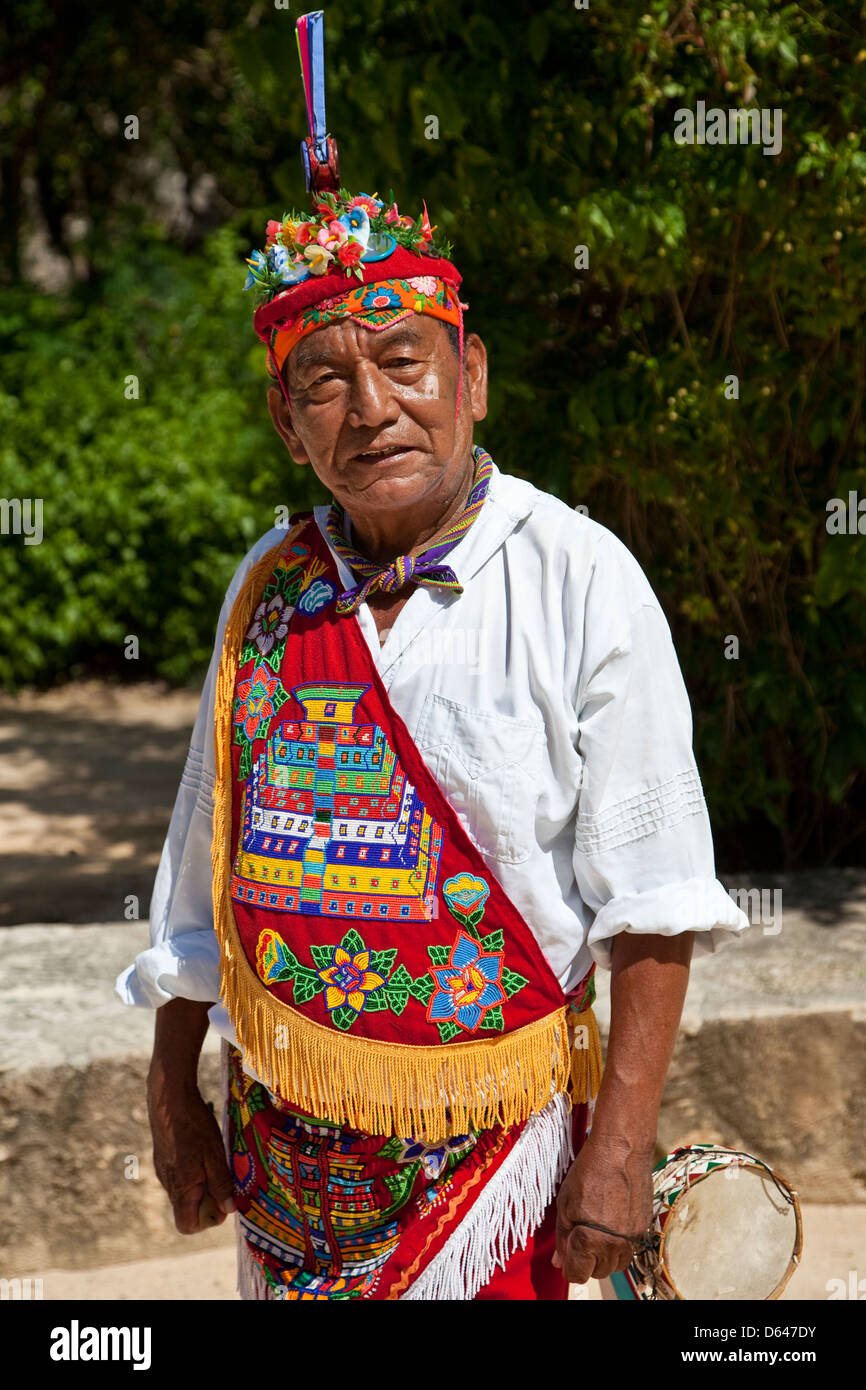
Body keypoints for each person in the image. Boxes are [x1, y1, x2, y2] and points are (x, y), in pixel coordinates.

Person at [116, 12, 749, 1302]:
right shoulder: (271, 586)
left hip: (497, 1166)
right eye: (324, 384)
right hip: (289, 1162)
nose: (372, 410)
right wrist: (173, 1083)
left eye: (403, 363)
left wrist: (617, 1153)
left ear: (471, 376)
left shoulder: (579, 574)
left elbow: (655, 894)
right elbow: (208, 857)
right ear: (290, 427)